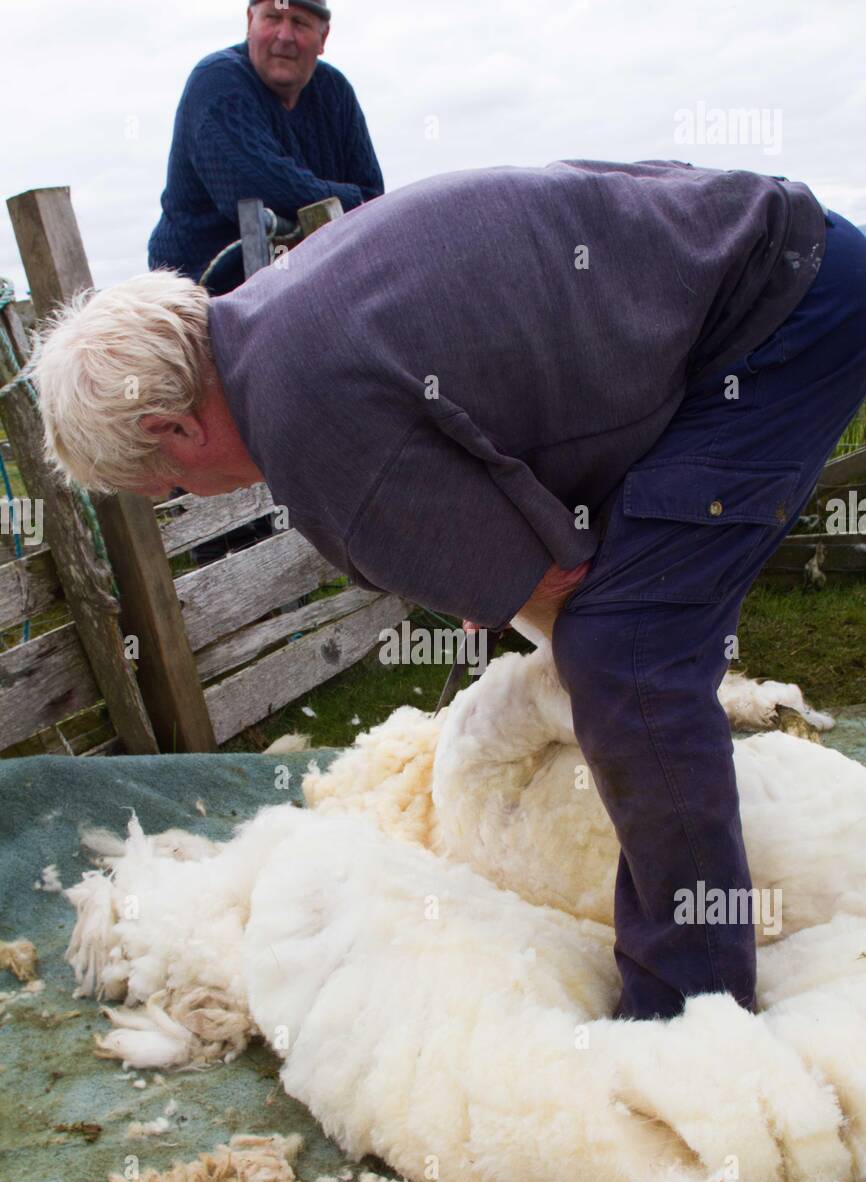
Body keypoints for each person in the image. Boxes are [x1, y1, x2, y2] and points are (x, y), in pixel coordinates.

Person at [30, 158, 866, 1021]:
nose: (190, 500)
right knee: (626, 629)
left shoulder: (307, 432)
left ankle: (691, 1009)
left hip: (781, 323)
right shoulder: (271, 314)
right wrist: (474, 557)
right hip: (760, 263)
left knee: (627, 655)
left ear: (174, 427)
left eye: (165, 487)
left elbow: (558, 581)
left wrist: (491, 572)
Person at [148, 0, 384, 294]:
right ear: (250, 23)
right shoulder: (216, 82)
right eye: (272, 17)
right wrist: (348, 198)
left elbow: (374, 203)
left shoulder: (335, 92)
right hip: (201, 296)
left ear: (323, 38)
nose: (284, 36)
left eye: (299, 22)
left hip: (305, 287)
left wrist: (354, 201)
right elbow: (254, 190)